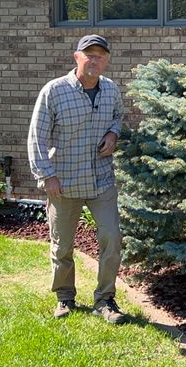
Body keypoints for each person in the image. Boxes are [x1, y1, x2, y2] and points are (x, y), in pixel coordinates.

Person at [27, 34, 125, 323]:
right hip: (64, 181)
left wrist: (113, 133)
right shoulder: (54, 91)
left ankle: (105, 300)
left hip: (101, 180)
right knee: (63, 244)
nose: (94, 60)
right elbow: (37, 138)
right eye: (89, 54)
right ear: (77, 57)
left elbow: (119, 117)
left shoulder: (111, 90)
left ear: (106, 60)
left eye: (100, 55)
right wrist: (47, 176)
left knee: (112, 237)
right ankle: (65, 297)